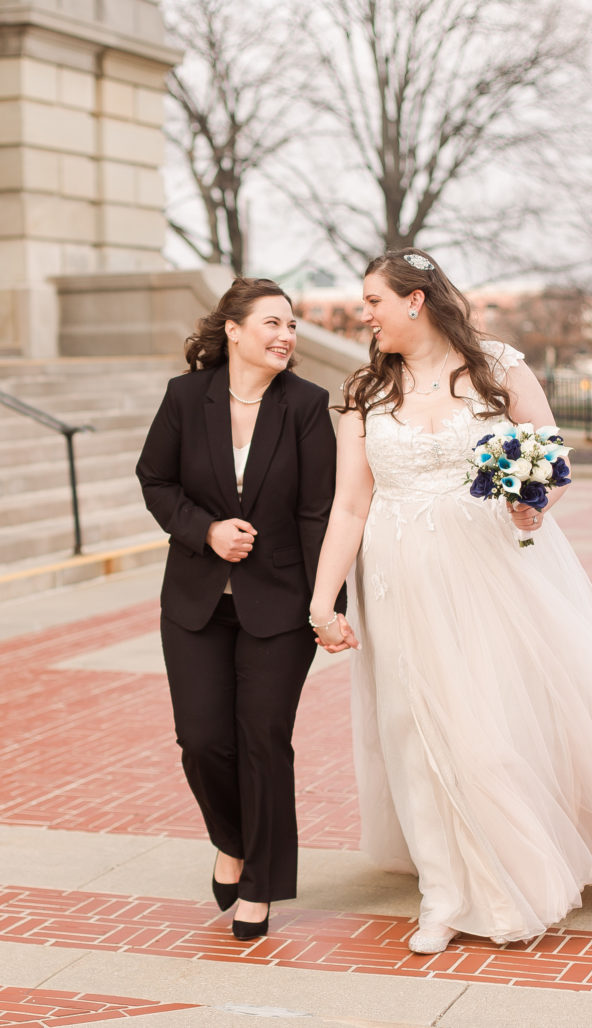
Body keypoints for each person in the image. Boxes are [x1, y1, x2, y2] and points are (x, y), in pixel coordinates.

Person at [307, 249, 592, 954]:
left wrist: (535, 506)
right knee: (414, 734)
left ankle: (518, 879)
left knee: (487, 730)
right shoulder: (365, 389)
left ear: (415, 300)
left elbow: (551, 461)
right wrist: (323, 601)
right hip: (397, 578)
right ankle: (444, 894)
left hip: (487, 573)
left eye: (373, 301)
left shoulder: (497, 366)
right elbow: (349, 507)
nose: (365, 314)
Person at [137, 277, 341, 942]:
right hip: (194, 599)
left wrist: (326, 605)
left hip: (279, 606)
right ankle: (232, 839)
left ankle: (260, 885)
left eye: (291, 325)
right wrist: (205, 531)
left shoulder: (306, 406)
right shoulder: (184, 397)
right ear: (233, 329)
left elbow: (318, 511)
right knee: (201, 741)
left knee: (262, 741)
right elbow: (156, 480)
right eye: (272, 323)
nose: (285, 335)